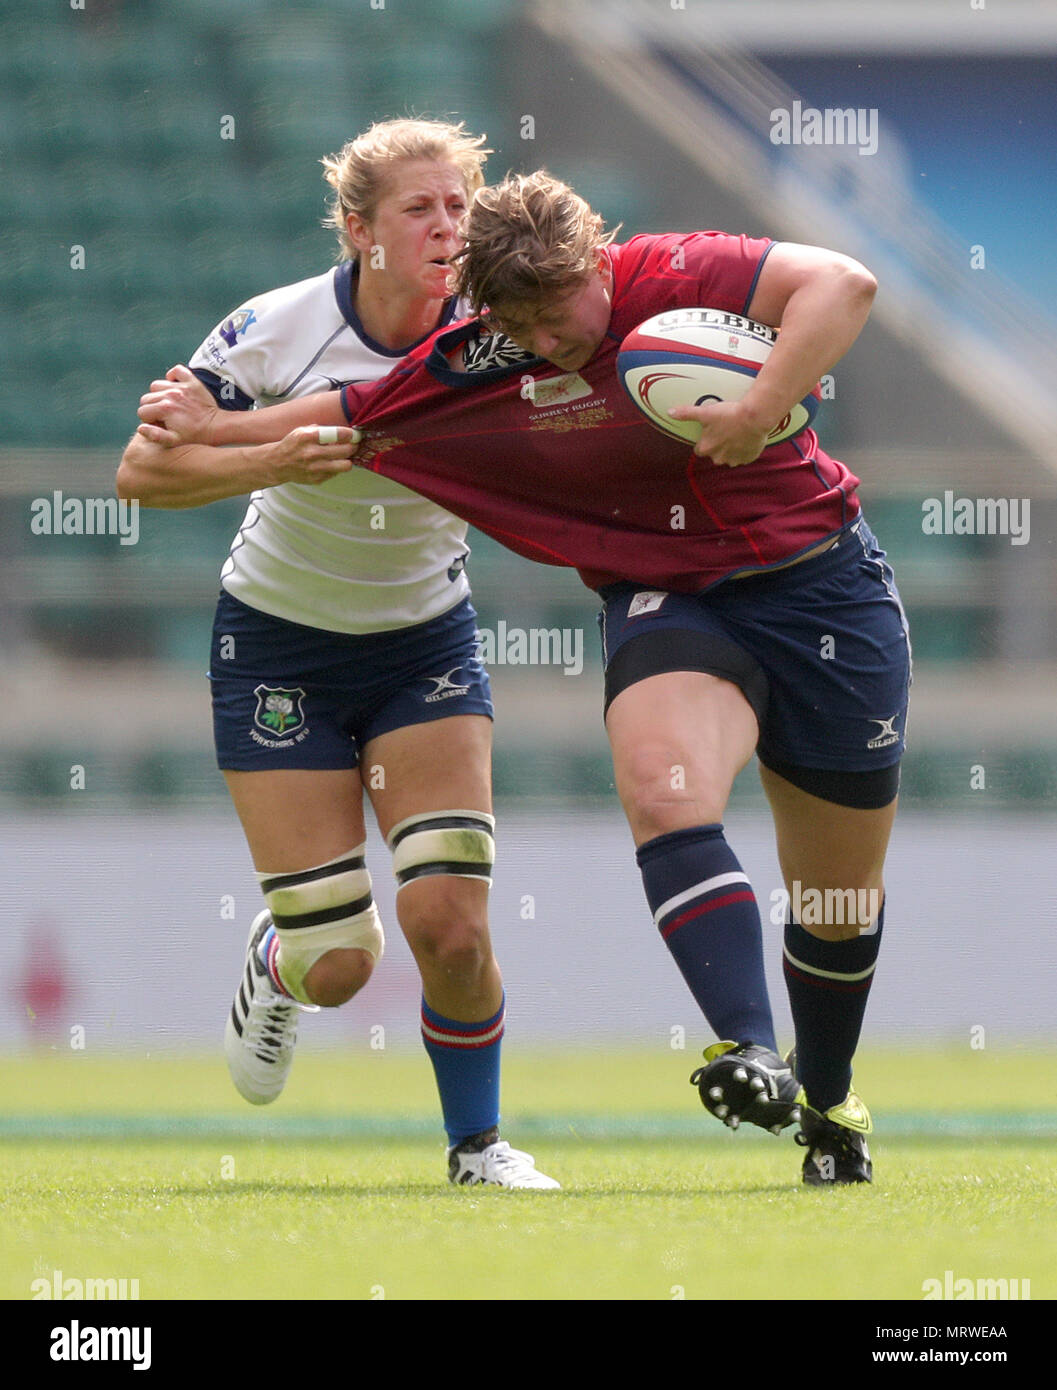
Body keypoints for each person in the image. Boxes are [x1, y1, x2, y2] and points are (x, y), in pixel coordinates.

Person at [134, 171, 911, 1187]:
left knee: (833, 895)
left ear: (596, 263)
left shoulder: (675, 273)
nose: (545, 341)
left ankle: (830, 1096)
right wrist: (206, 427)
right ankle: (747, 1048)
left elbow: (843, 284)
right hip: (666, 599)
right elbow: (354, 408)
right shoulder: (487, 350)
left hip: (823, 592)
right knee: (662, 791)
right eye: (520, 325)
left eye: (556, 313)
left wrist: (763, 403)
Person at [117, 127, 560, 1190]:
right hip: (278, 646)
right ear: (359, 229)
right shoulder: (277, 330)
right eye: (420, 209)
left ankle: (478, 1146)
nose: (447, 227)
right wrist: (274, 458)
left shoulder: (496, 334)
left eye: (459, 206)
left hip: (425, 646)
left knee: (450, 923)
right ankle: (279, 963)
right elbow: (142, 469)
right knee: (339, 964)